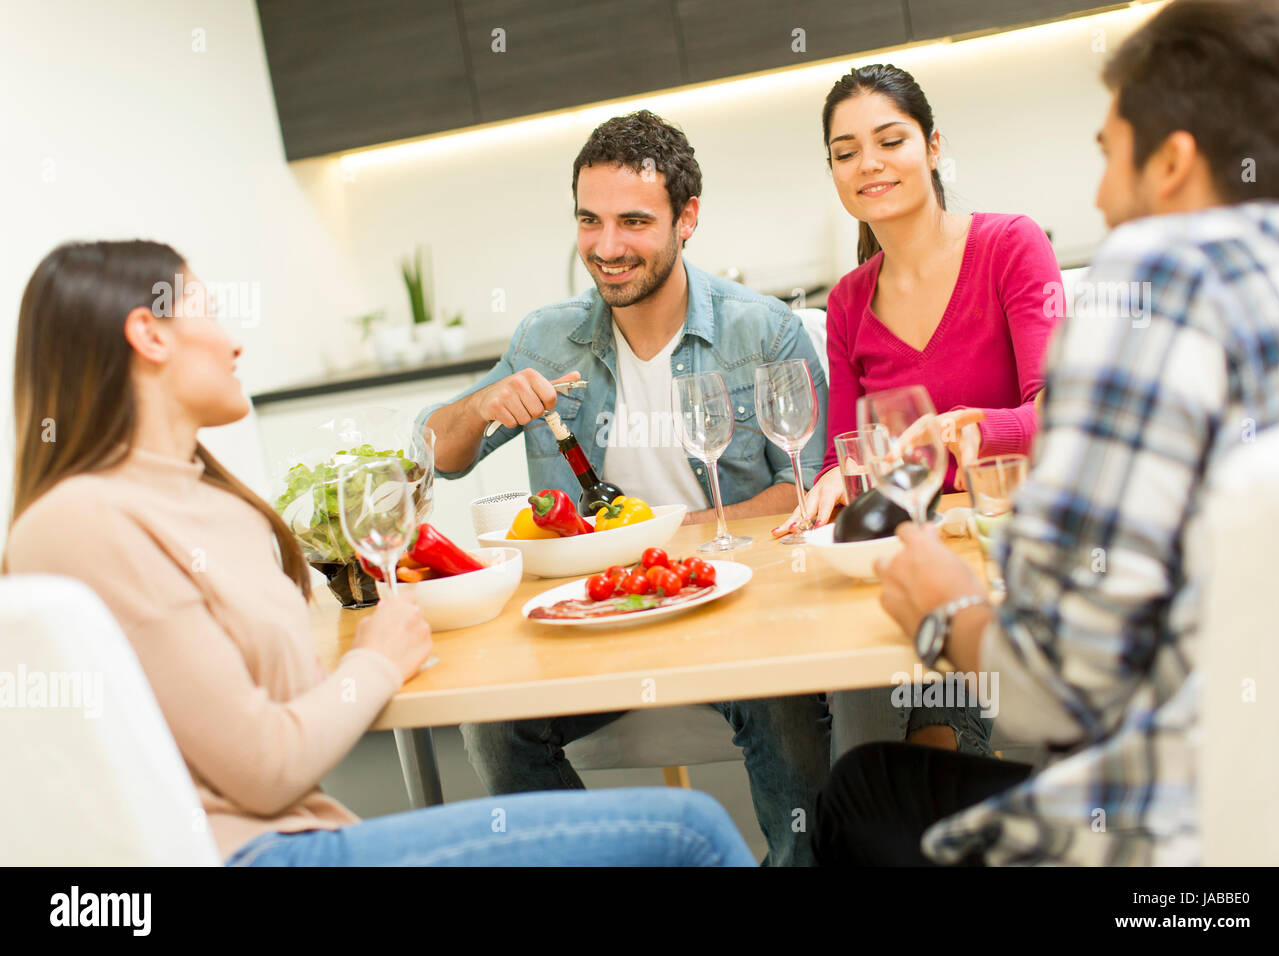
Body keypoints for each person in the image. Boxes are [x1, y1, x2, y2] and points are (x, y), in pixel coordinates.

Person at [3, 240, 756, 867]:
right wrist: (376, 659)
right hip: (255, 853)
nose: (235, 340)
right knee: (688, 834)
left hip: (305, 833)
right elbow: (266, 768)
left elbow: (280, 699)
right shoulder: (80, 523)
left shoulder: (208, 502)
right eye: (209, 312)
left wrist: (381, 648)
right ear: (151, 333)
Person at [813, 0, 1279, 866]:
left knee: (860, 789)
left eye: (1108, 155)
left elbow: (1049, 692)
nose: (1102, 198)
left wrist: (944, 614)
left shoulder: (1158, 284)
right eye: (845, 152)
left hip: (1179, 830)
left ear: (1175, 160)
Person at [416, 110, 831, 866]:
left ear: (688, 218)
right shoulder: (545, 339)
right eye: (589, 221)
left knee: (786, 713)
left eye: (634, 222)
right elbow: (438, 456)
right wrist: (481, 406)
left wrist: (661, 540)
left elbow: (803, 486)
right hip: (593, 614)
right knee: (493, 727)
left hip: (729, 601)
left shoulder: (762, 331)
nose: (607, 249)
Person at [774, 64, 1063, 762]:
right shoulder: (846, 304)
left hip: (1001, 554)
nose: (867, 164)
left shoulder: (1011, 247)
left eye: (890, 140)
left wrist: (971, 430)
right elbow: (848, 452)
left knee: (926, 754)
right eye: (845, 153)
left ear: (934, 147)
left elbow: (1060, 417)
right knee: (857, 759)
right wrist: (832, 483)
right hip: (902, 556)